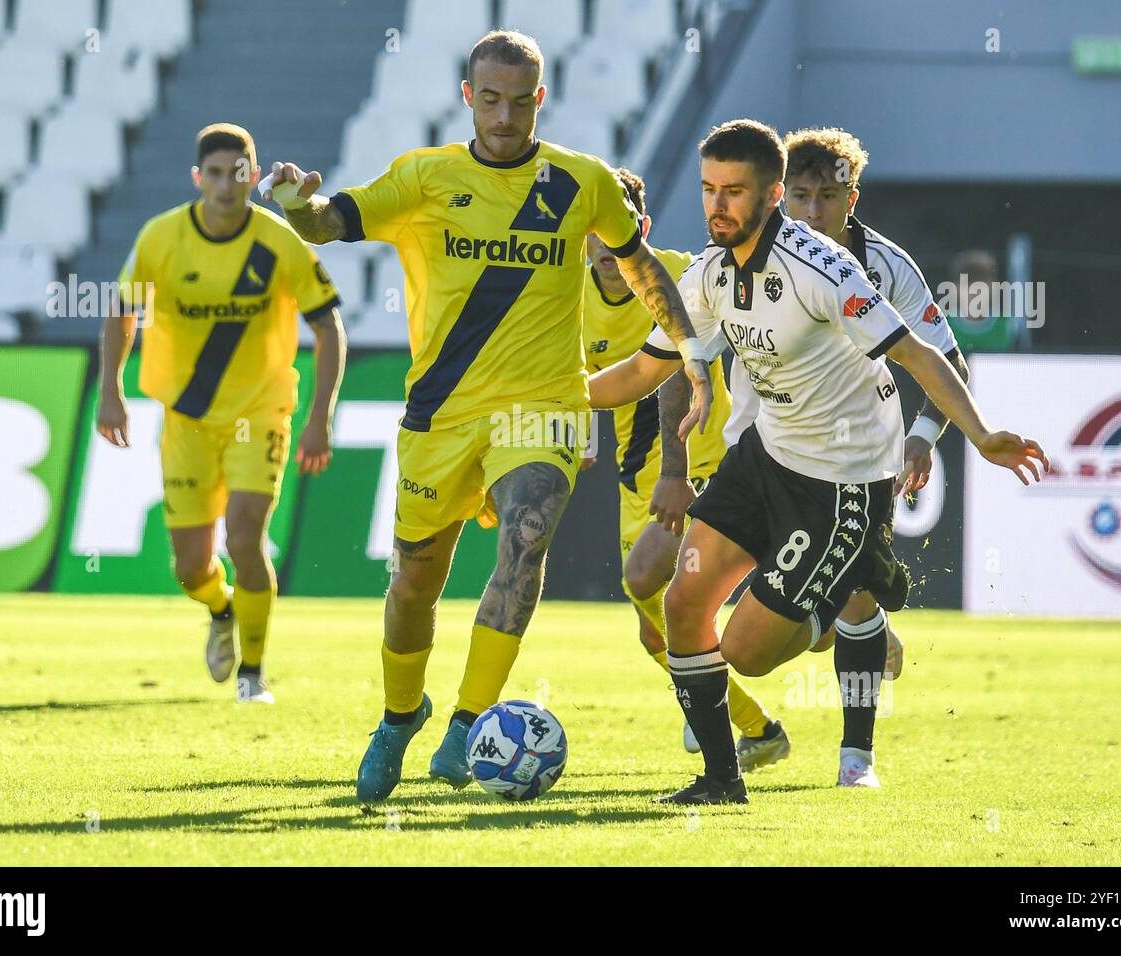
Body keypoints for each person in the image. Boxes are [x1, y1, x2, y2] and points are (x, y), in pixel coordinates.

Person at [263, 30, 712, 801]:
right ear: (469, 98)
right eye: (490, 100)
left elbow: (639, 265)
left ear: (541, 99)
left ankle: (471, 720)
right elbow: (326, 224)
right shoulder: (426, 177)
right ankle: (401, 715)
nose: (504, 115)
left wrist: (690, 348)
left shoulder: (583, 182)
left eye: (520, 101)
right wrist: (295, 198)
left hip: (545, 408)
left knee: (525, 542)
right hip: (441, 414)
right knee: (413, 586)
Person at [589, 119, 1047, 804]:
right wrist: (531, 394)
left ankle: (850, 598)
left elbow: (919, 352)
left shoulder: (826, 268)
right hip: (765, 453)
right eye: (709, 189)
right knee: (683, 602)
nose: (717, 205)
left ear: (770, 196)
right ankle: (721, 781)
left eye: (734, 191)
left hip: (843, 479)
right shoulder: (711, 273)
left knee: (746, 650)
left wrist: (977, 434)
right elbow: (641, 372)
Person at [656, 126, 970, 786]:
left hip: (851, 462)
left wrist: (922, 434)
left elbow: (941, 357)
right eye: (800, 197)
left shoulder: (886, 270)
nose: (813, 211)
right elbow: (677, 351)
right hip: (756, 444)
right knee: (697, 600)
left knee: (847, 596)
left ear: (851, 197)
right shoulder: (741, 256)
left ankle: (856, 759)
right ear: (780, 197)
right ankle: (725, 738)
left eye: (828, 197)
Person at [97, 123, 346, 703]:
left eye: (238, 173)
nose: (226, 184)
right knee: (190, 569)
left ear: (252, 176)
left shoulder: (280, 241)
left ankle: (253, 674)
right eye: (214, 173)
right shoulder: (162, 238)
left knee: (243, 538)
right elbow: (121, 311)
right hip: (186, 419)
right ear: (197, 178)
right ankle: (222, 608)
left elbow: (328, 327)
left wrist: (319, 416)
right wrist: (111, 388)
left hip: (261, 413)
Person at [582, 166, 787, 770]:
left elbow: (672, 372)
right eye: (592, 231)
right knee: (654, 632)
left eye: (613, 229)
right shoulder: (572, 296)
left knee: (645, 580)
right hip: (633, 474)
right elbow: (577, 377)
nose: (601, 246)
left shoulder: (680, 276)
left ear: (637, 228)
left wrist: (679, 474)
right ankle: (758, 727)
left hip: (699, 461)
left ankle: (728, 710)